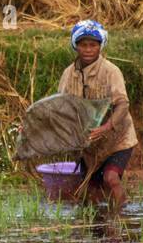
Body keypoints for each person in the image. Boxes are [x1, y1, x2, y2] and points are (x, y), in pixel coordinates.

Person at [57, 20, 137, 211]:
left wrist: (106, 127)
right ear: (76, 46)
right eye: (83, 45)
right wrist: (35, 127)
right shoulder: (68, 74)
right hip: (90, 144)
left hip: (117, 138)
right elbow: (59, 108)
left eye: (93, 45)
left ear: (100, 46)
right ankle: (99, 229)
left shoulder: (111, 71)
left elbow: (122, 104)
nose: (88, 49)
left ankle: (121, 218)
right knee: (90, 193)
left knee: (110, 178)